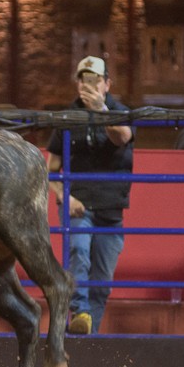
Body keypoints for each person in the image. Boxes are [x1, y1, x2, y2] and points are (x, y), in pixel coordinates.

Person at [47, 56, 135, 334]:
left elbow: (122, 137)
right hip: (79, 205)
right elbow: (51, 169)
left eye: (95, 80)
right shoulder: (67, 117)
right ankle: (81, 312)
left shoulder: (120, 110)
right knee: (78, 251)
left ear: (107, 83)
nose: (89, 85)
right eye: (84, 79)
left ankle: (87, 332)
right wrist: (65, 196)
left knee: (102, 279)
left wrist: (102, 109)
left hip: (111, 209)